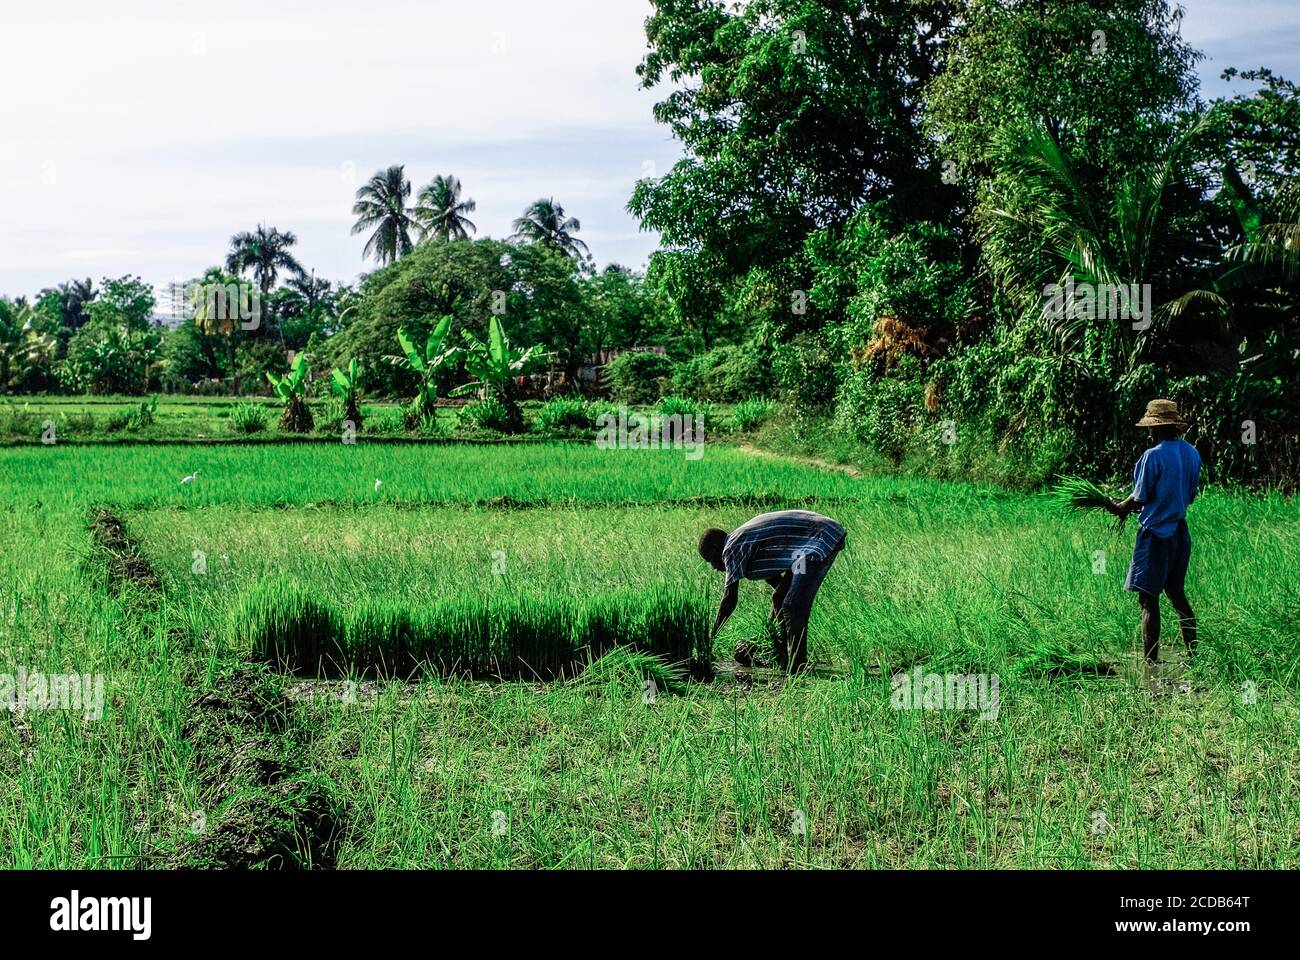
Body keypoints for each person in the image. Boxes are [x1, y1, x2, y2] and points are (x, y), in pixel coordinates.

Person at [1107, 399, 1200, 671]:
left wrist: (1118, 507)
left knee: (1148, 599)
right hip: (1179, 533)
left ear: (1156, 428)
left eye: (1150, 427)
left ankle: (1149, 663)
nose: (1148, 432)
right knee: (1177, 594)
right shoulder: (1192, 453)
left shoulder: (1152, 456)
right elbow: (1190, 496)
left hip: (1155, 535)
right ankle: (1194, 655)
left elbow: (1140, 497)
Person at [697, 509, 846, 673]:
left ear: (716, 548)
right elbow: (779, 588)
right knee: (781, 598)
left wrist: (710, 638)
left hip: (818, 539)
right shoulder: (746, 546)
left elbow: (729, 600)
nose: (713, 567)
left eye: (710, 559)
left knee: (793, 605)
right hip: (802, 552)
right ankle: (782, 654)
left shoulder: (732, 547)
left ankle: (797, 667)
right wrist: (768, 636)